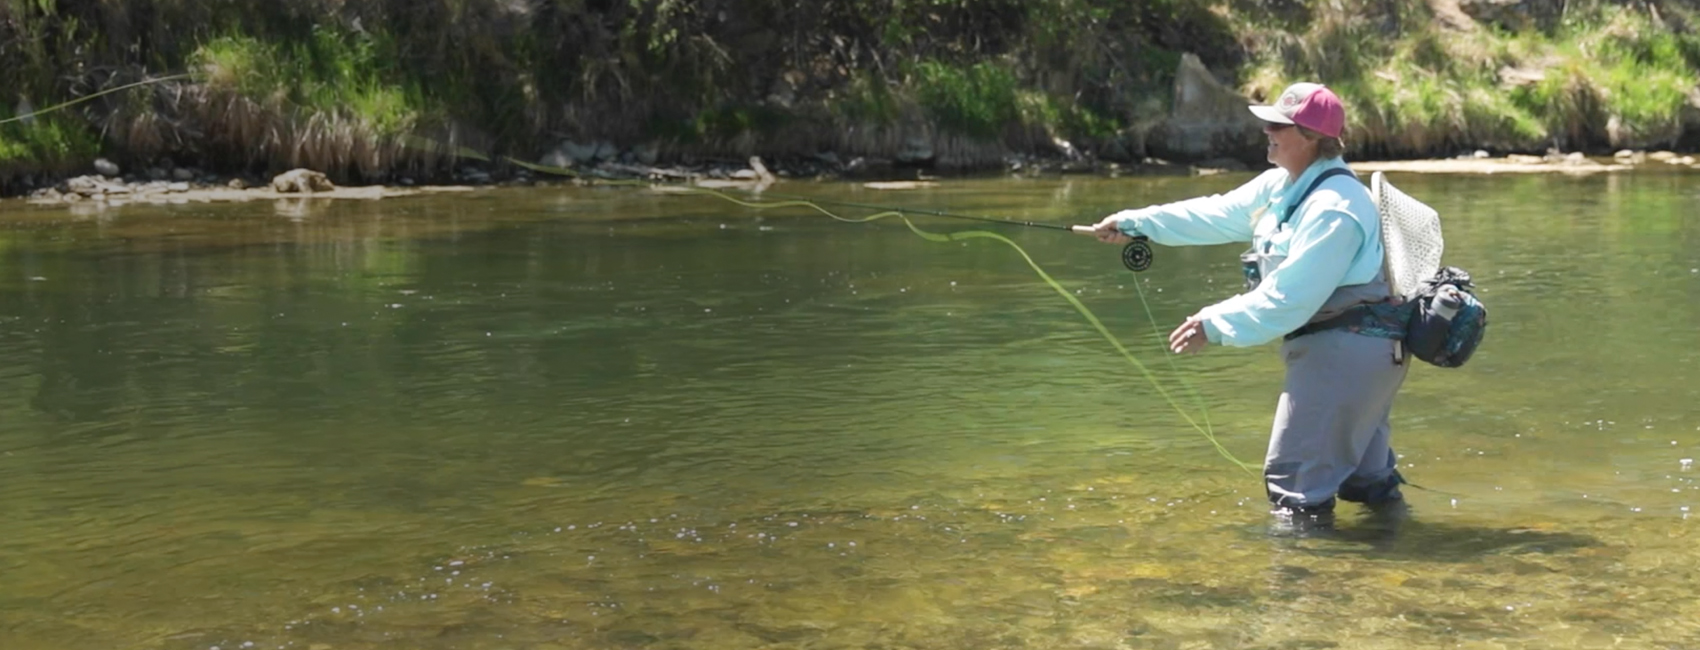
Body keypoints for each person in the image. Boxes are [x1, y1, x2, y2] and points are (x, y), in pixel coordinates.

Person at [1085, 82, 1407, 528]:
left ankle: (1299, 588)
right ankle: (1394, 571)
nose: (1266, 131)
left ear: (1312, 138)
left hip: (1347, 356)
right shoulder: (1283, 184)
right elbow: (1216, 214)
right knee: (1367, 482)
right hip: (1353, 354)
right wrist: (1138, 224)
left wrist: (1212, 323)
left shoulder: (1336, 209)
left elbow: (1289, 299)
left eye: (1278, 125)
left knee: (1294, 487)